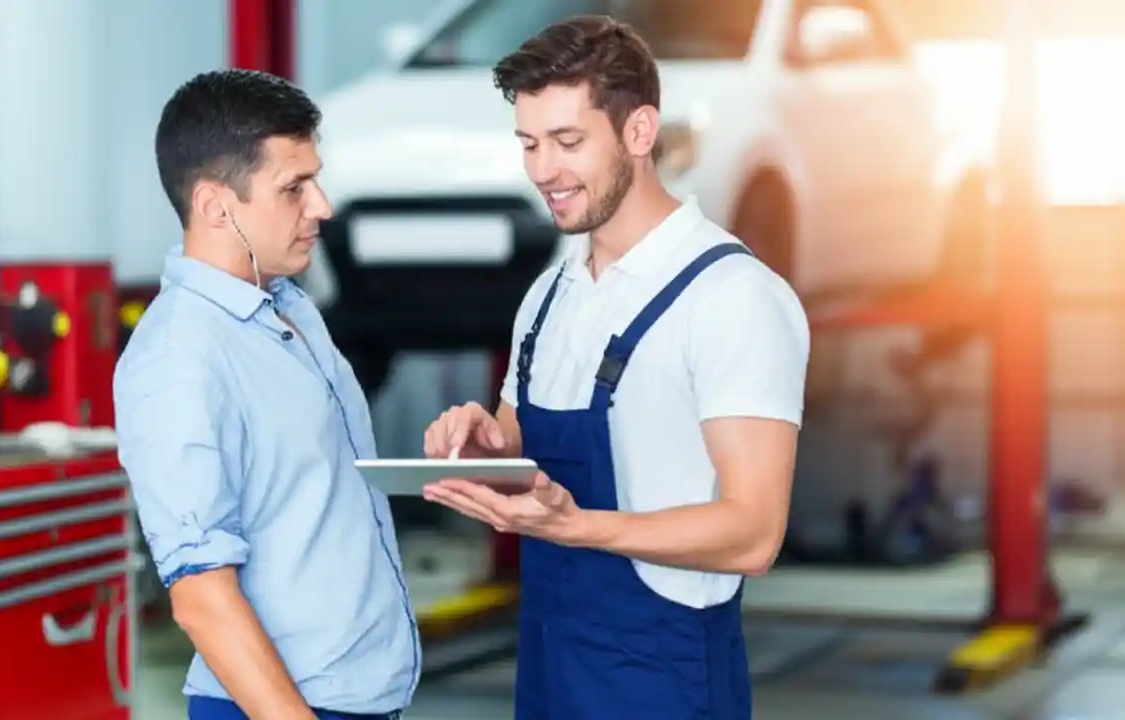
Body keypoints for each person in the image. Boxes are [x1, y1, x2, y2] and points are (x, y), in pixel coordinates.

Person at [420, 15, 809, 720]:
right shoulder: (549, 293)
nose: (543, 170)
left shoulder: (730, 297)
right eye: (529, 143)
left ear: (639, 132)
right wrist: (485, 445)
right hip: (547, 664)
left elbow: (753, 533)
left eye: (568, 142)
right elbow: (520, 446)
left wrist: (581, 526)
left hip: (664, 679)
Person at [113, 69, 418, 720]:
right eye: (294, 188)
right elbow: (201, 597)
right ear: (216, 206)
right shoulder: (179, 358)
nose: (323, 206)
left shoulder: (288, 309)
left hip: (353, 697)